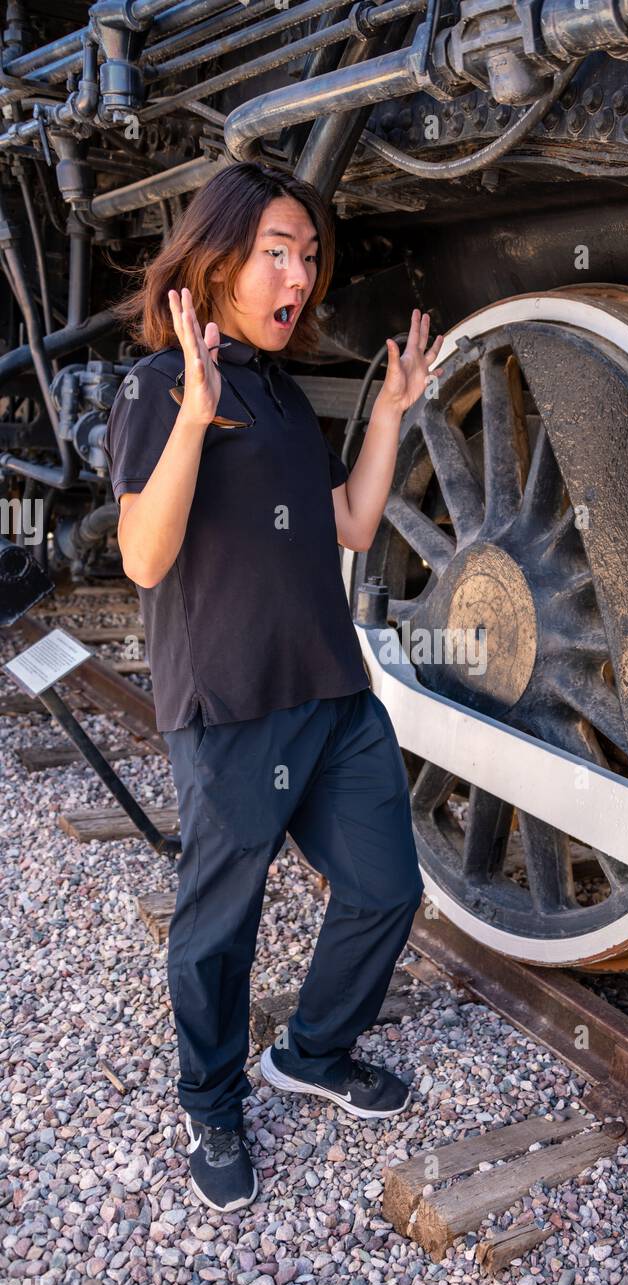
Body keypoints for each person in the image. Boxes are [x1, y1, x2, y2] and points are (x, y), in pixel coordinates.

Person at [104, 160, 444, 1213]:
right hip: (232, 705)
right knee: (220, 932)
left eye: (308, 257)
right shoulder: (159, 386)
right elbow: (143, 559)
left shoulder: (286, 394)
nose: (299, 276)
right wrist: (196, 417)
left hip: (333, 696)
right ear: (215, 260)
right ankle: (210, 1102)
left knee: (386, 889)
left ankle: (310, 1051)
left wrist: (390, 412)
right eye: (276, 254)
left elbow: (349, 523)